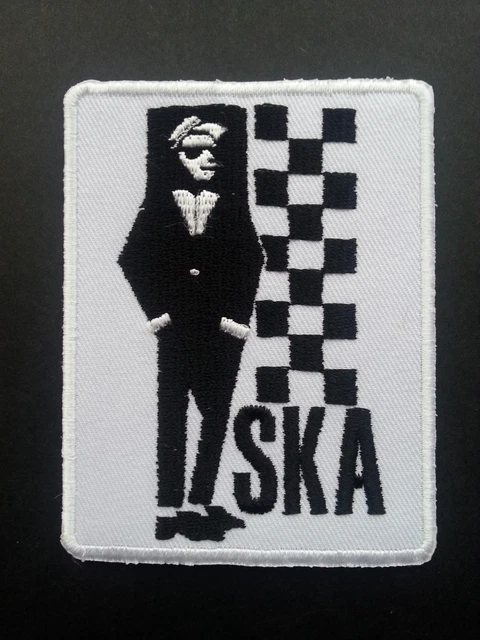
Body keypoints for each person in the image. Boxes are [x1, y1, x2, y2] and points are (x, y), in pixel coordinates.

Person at [118, 105, 263, 540]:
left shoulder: (232, 205)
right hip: (176, 330)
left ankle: (201, 501)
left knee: (216, 414)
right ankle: (168, 507)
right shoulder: (157, 205)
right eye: (197, 151)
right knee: (173, 415)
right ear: (177, 156)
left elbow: (252, 258)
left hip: (221, 331)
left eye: (214, 150)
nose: (210, 159)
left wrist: (236, 320)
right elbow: (131, 257)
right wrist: (157, 314)